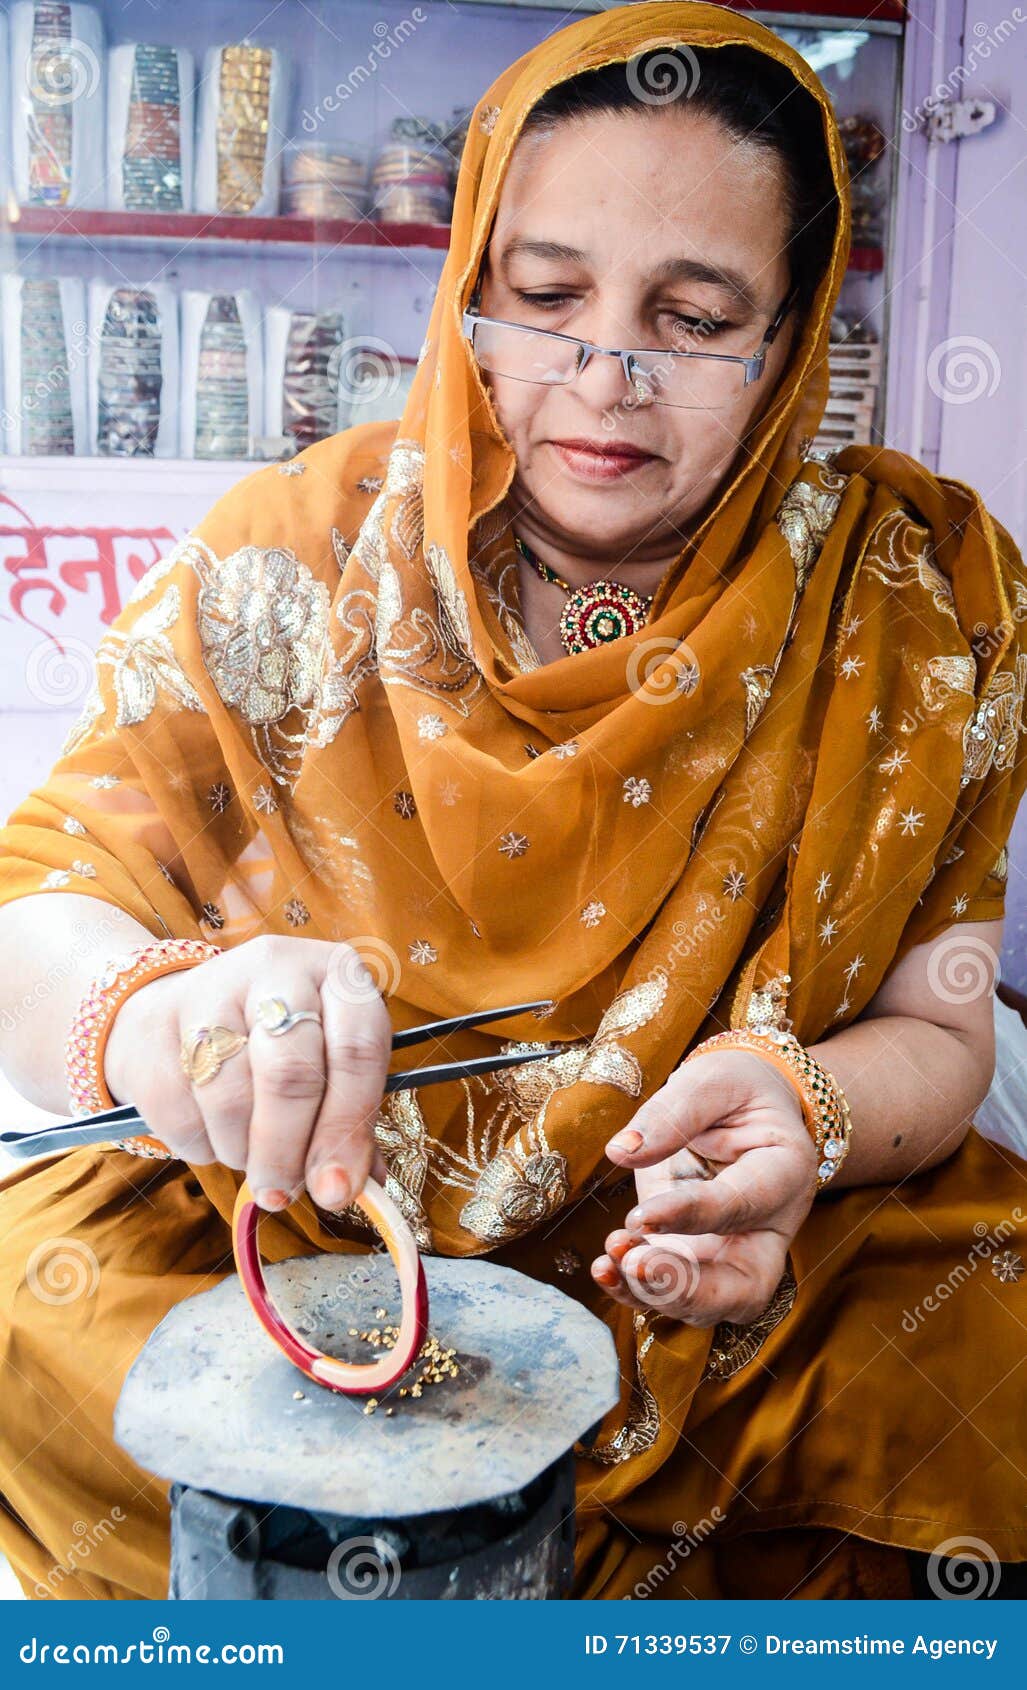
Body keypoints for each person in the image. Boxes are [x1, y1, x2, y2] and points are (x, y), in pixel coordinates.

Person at [1, 1, 1026, 1602]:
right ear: (469, 286)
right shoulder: (299, 549)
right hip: (294, 1223)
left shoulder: (920, 592)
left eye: (694, 320)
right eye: (546, 298)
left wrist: (808, 1114)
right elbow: (39, 904)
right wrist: (166, 1015)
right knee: (30, 1310)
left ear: (790, 340)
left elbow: (946, 1024)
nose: (605, 379)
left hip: (724, 1256)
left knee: (992, 1344)